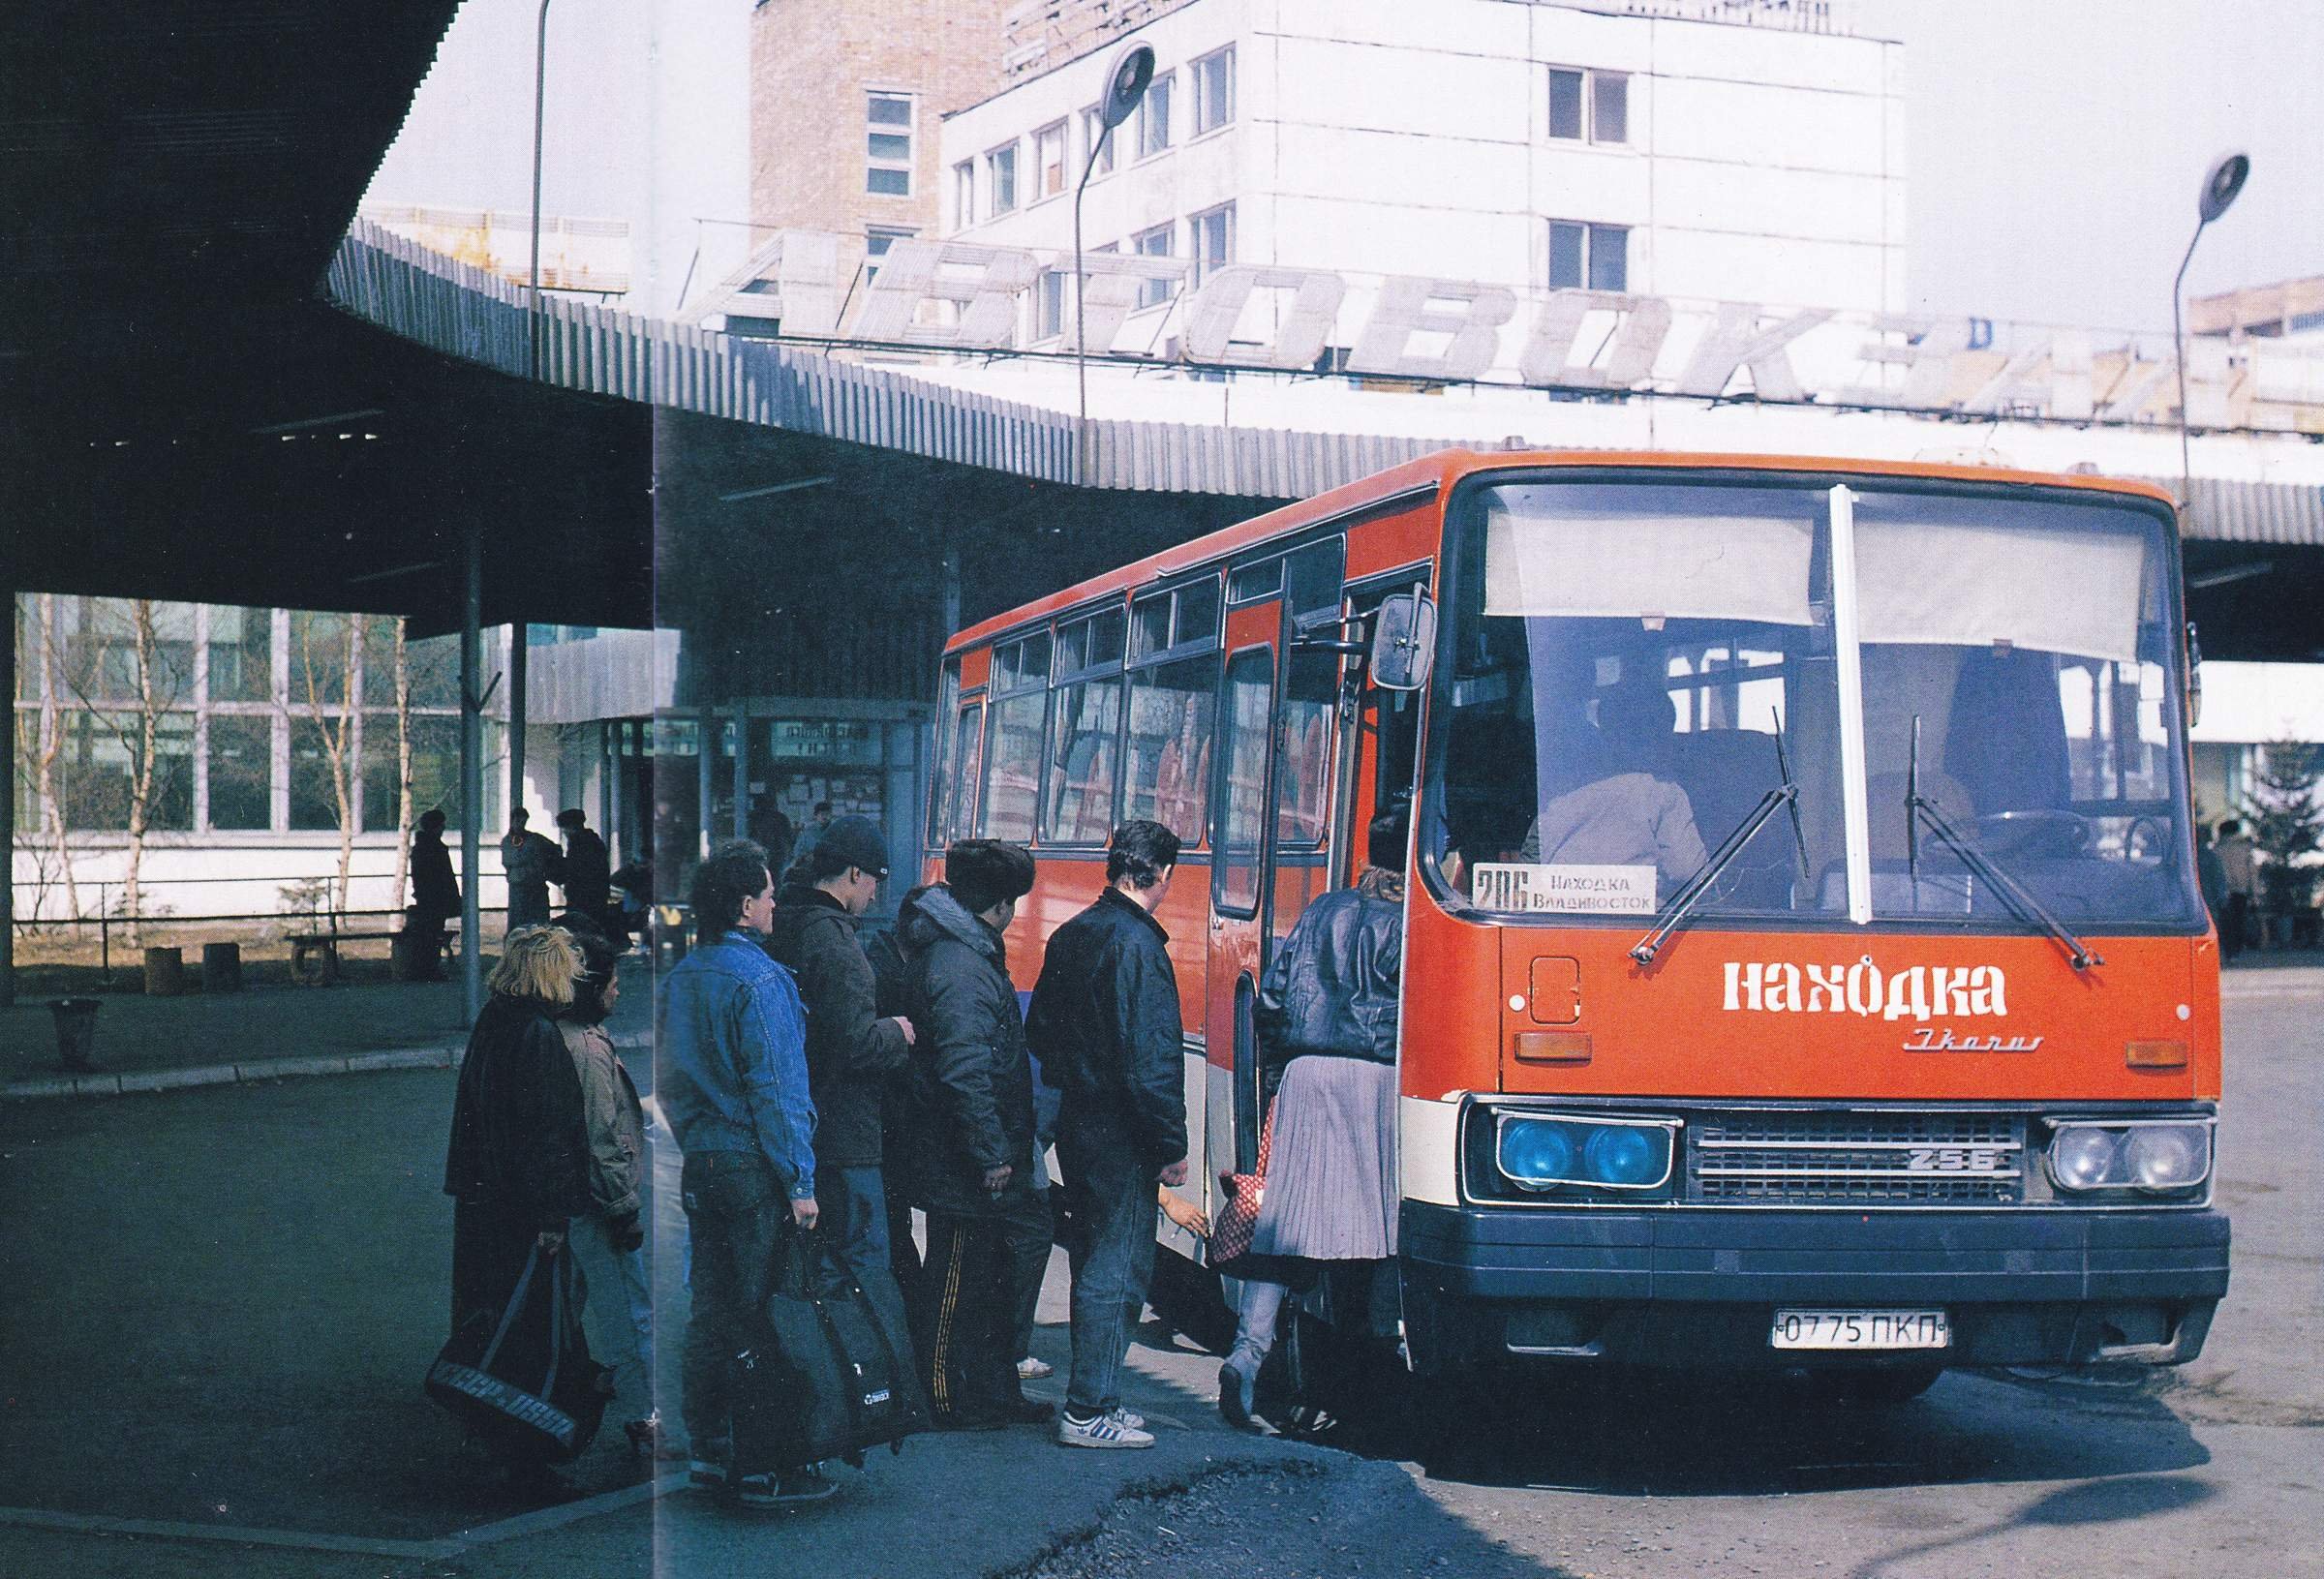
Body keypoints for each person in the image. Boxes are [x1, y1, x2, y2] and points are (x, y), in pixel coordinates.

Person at [1217, 806, 1409, 1435]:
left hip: (1304, 1078)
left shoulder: (1324, 909)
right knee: (1366, 1244)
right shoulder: (1411, 924)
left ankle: (1246, 1357)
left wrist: (1282, 1077)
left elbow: (1270, 998)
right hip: (1372, 1082)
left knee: (1282, 1235)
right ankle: (1352, 1399)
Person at [656, 839, 834, 1509]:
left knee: (711, 1308)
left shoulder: (683, 977)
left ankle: (709, 1446)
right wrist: (801, 1181)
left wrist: (698, 1138)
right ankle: (765, 1462)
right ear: (743, 905)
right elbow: (778, 1088)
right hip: (755, 1167)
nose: (774, 903)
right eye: (765, 893)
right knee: (764, 1312)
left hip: (702, 1161)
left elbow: (669, 1084)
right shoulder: (761, 980)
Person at [1026, 820, 1190, 1450]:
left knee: (1094, 1257)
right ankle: (1089, 1406)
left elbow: (1039, 1031)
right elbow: (1152, 1061)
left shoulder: (1073, 932)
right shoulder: (1140, 947)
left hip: (1079, 1118)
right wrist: (1170, 1143)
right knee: (1118, 1267)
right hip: (1123, 1128)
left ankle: (1099, 1398)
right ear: (1163, 875)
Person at [895, 838, 1051, 1431]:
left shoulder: (960, 953)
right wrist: (990, 1153)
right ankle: (942, 1396)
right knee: (956, 1281)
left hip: (968, 1151)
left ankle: (990, 1392)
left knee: (984, 1279)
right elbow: (965, 1070)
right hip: (962, 1159)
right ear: (1002, 906)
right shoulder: (962, 965)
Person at [441, 925, 601, 1490]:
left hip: (484, 1201)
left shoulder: (495, 1021)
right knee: (531, 1334)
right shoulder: (536, 1035)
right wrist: (554, 1216)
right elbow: (546, 1136)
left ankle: (491, 1434)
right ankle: (527, 1456)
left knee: (493, 1319)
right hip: (522, 1211)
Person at [763, 816, 919, 1352]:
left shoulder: (788, 921)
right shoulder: (834, 942)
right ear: (854, 874)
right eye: (873, 880)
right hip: (845, 1132)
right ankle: (869, 1392)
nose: (875, 895)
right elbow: (855, 1044)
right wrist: (896, 1032)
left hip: (806, 1123)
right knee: (861, 1264)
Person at [557, 929, 659, 1456]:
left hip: (566, 1202)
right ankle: (647, 1417)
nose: (619, 993)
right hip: (598, 1204)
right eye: (613, 984)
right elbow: (603, 1138)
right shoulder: (589, 1049)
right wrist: (624, 1209)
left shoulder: (561, 1035)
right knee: (629, 1310)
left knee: (567, 1307)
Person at [1520, 679, 1706, 898]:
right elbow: (1688, 870)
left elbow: (1530, 866)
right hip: (1641, 926)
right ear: (1664, 736)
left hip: (1548, 924)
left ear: (1605, 732)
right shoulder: (1663, 792)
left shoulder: (1561, 792)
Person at [408, 807, 459, 980]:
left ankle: (425, 968)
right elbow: (444, 876)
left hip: (428, 899)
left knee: (429, 935)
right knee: (432, 935)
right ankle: (429, 968)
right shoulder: (434, 849)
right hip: (435, 899)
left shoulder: (421, 848)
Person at [502, 808, 563, 931]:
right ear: (512, 821)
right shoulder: (508, 841)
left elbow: (555, 849)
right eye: (518, 821)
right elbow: (510, 860)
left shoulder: (535, 839)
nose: (520, 825)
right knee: (519, 925)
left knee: (539, 925)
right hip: (519, 889)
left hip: (536, 887)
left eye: (523, 822)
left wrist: (545, 864)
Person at [557, 808, 613, 935]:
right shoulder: (593, 842)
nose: (564, 832)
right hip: (593, 897)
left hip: (584, 898)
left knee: (582, 933)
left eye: (565, 828)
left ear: (572, 826)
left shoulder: (580, 845)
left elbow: (577, 870)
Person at [2217, 818, 2256, 961]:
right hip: (2241, 890)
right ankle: (2237, 951)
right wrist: (2255, 893)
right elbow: (2252, 872)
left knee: (2226, 922)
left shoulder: (2218, 849)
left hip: (2223, 890)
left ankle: (2228, 951)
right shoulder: (2245, 848)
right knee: (2239, 921)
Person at [790, 802, 836, 873]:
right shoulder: (808, 831)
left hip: (830, 867)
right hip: (810, 867)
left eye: (827, 814)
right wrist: (805, 857)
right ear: (815, 816)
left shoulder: (835, 830)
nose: (825, 817)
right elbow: (797, 851)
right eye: (822, 814)